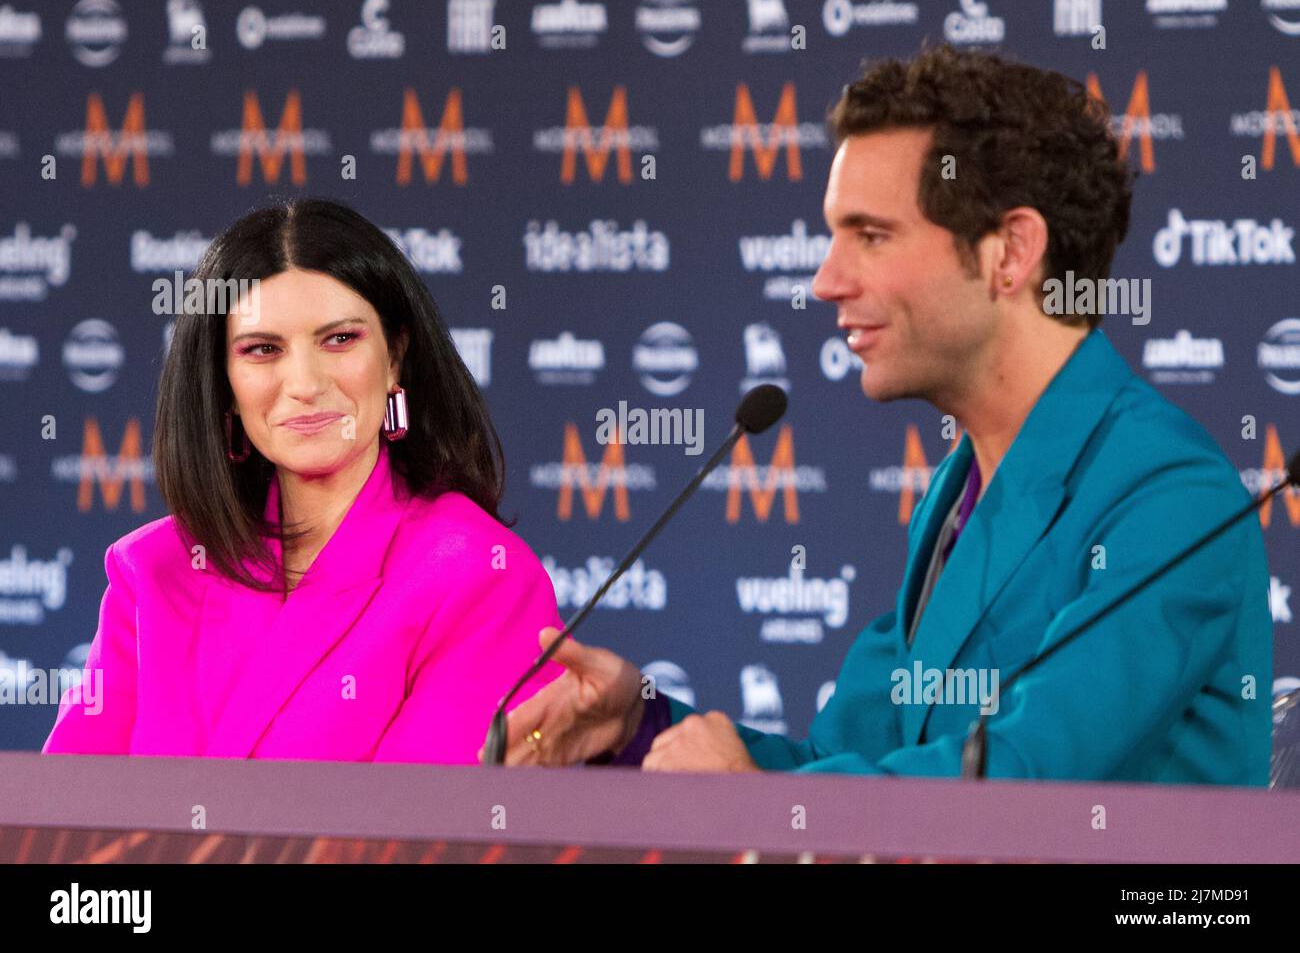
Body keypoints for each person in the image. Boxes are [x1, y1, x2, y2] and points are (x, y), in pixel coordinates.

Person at [490, 45, 1274, 785]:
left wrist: (751, 801)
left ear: (1010, 252)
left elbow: (1022, 779)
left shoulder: (1168, 494)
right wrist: (639, 724)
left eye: (869, 235)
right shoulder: (957, 493)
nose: (826, 279)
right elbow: (842, 761)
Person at [44, 197, 563, 763]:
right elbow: (65, 822)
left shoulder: (479, 574)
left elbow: (427, 838)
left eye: (339, 340)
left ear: (395, 358)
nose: (305, 383)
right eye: (263, 350)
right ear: (225, 385)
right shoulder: (153, 570)